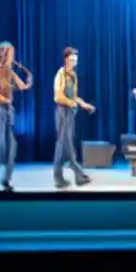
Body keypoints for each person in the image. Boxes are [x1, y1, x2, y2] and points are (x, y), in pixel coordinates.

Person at [0, 41, 31, 192]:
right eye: (10, 53)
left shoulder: (9, 71)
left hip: (9, 110)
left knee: (12, 146)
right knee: (0, 146)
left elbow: (22, 86)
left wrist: (28, 78)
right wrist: (7, 99)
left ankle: (6, 180)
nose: (12, 57)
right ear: (3, 54)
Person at [52, 46, 96, 189]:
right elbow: (58, 96)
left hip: (70, 112)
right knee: (64, 144)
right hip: (62, 111)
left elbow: (74, 96)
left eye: (76, 58)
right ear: (66, 59)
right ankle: (76, 173)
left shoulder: (73, 76)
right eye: (72, 58)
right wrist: (72, 103)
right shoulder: (61, 74)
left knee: (65, 144)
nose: (75, 60)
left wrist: (84, 104)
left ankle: (71, 174)